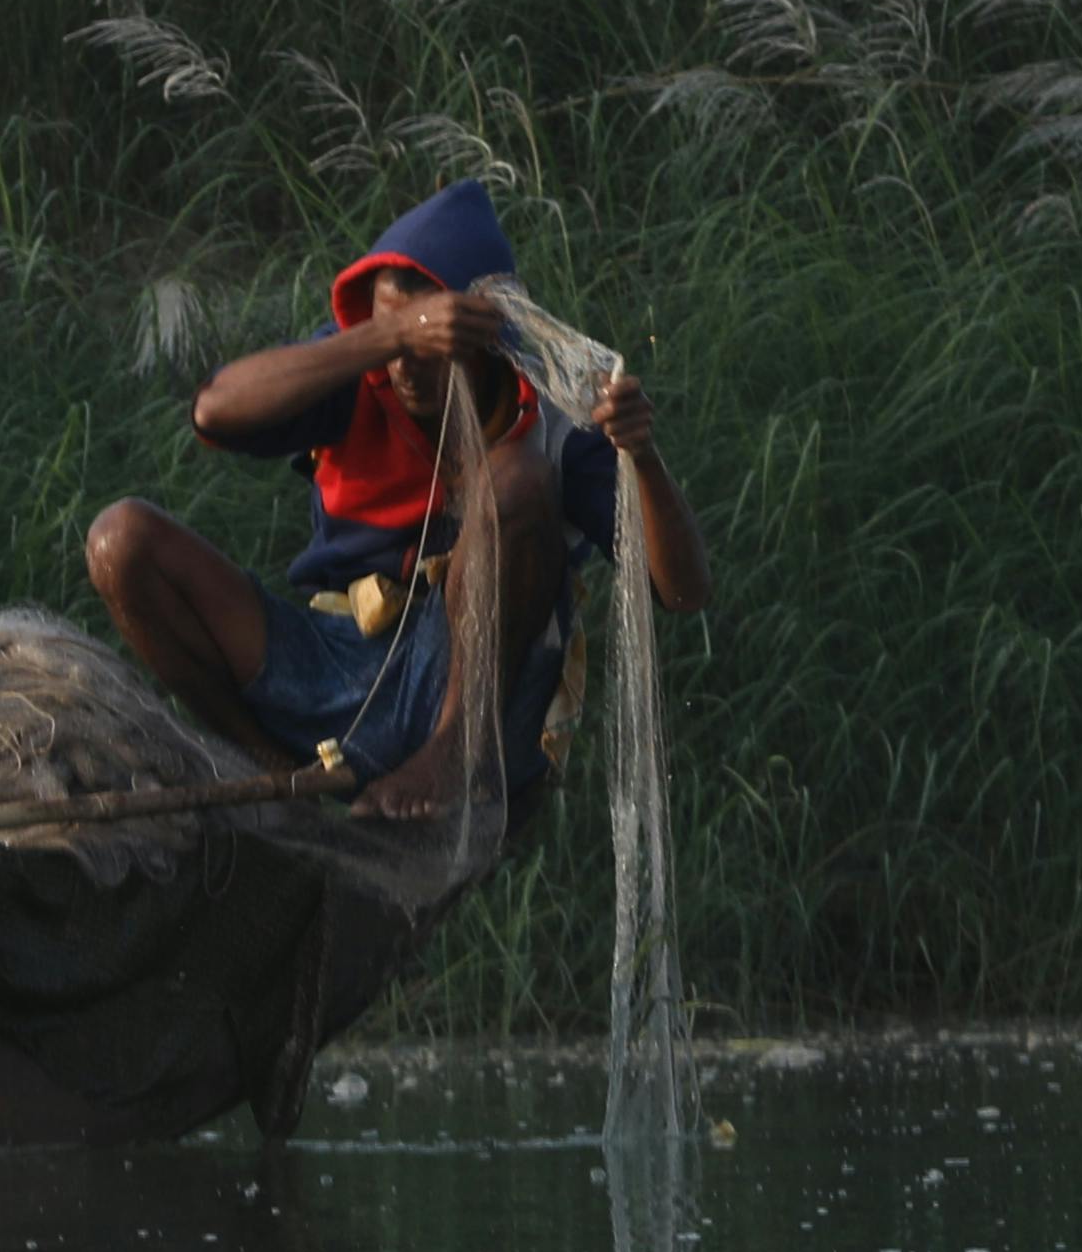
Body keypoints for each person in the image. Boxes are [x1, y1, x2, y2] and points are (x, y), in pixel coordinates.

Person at [85, 180, 712, 829]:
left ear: (488, 337)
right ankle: (270, 771)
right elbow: (213, 412)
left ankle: (450, 758)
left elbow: (684, 591)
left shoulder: (549, 412)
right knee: (121, 539)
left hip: (472, 685)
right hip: (340, 662)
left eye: (429, 346)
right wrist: (384, 337)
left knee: (519, 482)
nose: (405, 370)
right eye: (392, 341)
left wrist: (642, 457)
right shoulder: (365, 368)